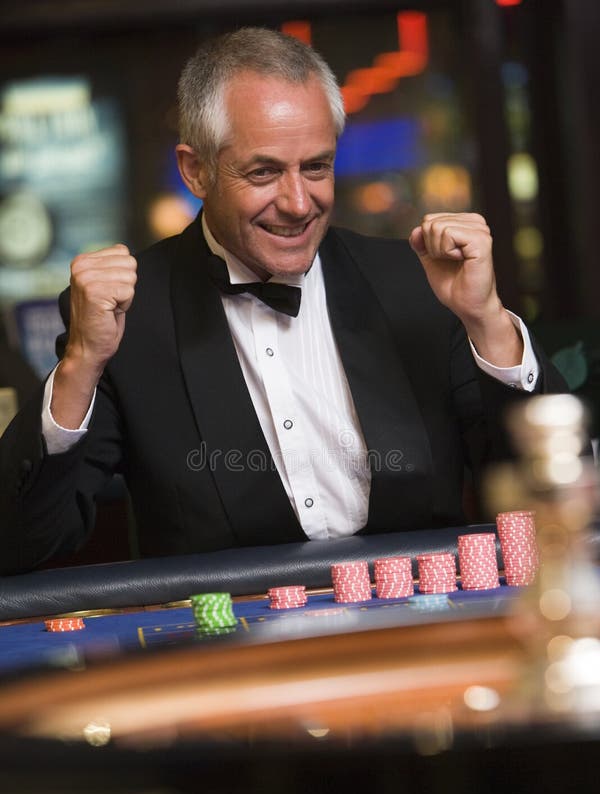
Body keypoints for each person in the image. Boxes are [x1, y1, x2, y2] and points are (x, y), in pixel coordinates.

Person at [0, 27, 565, 576]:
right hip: (229, 653)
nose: (298, 203)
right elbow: (22, 544)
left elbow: (547, 494)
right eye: (264, 171)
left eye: (316, 166)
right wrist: (80, 365)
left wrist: (487, 321)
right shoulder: (133, 315)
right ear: (195, 171)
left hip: (417, 631)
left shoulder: (417, 280)